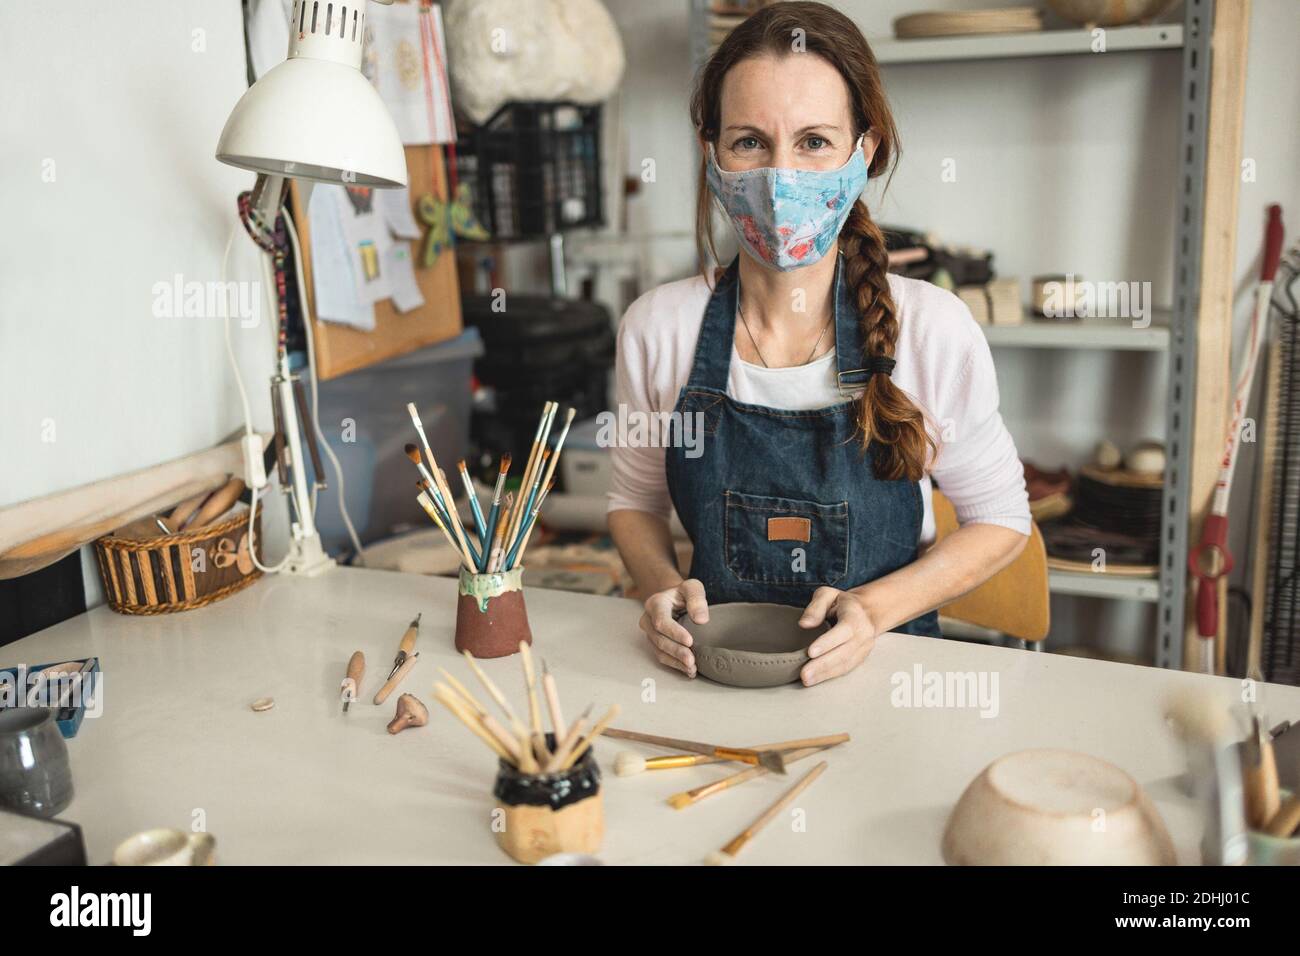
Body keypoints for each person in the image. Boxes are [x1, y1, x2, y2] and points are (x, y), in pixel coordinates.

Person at [608, 1, 1031, 686]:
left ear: (863, 152)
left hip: (885, 683)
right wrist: (658, 586)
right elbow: (633, 503)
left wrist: (873, 608)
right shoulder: (659, 328)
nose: (781, 179)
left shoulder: (932, 328)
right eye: (750, 142)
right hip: (707, 680)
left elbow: (1001, 519)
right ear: (710, 153)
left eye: (813, 142)